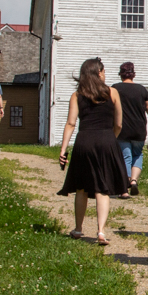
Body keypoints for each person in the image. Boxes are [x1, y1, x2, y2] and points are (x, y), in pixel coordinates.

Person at [56, 57, 129, 245]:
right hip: (106, 139)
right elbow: (119, 123)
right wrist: (110, 137)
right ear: (98, 73)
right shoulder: (112, 92)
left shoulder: (77, 95)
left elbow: (71, 123)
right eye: (103, 71)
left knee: (81, 187)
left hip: (84, 141)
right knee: (102, 188)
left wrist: (63, 149)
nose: (105, 74)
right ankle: (101, 232)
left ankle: (79, 229)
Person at [112, 62, 148, 196]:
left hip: (122, 129)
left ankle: (125, 187)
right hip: (139, 130)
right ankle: (133, 180)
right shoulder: (142, 90)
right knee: (137, 154)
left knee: (125, 156)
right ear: (133, 74)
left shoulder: (115, 89)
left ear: (121, 74)